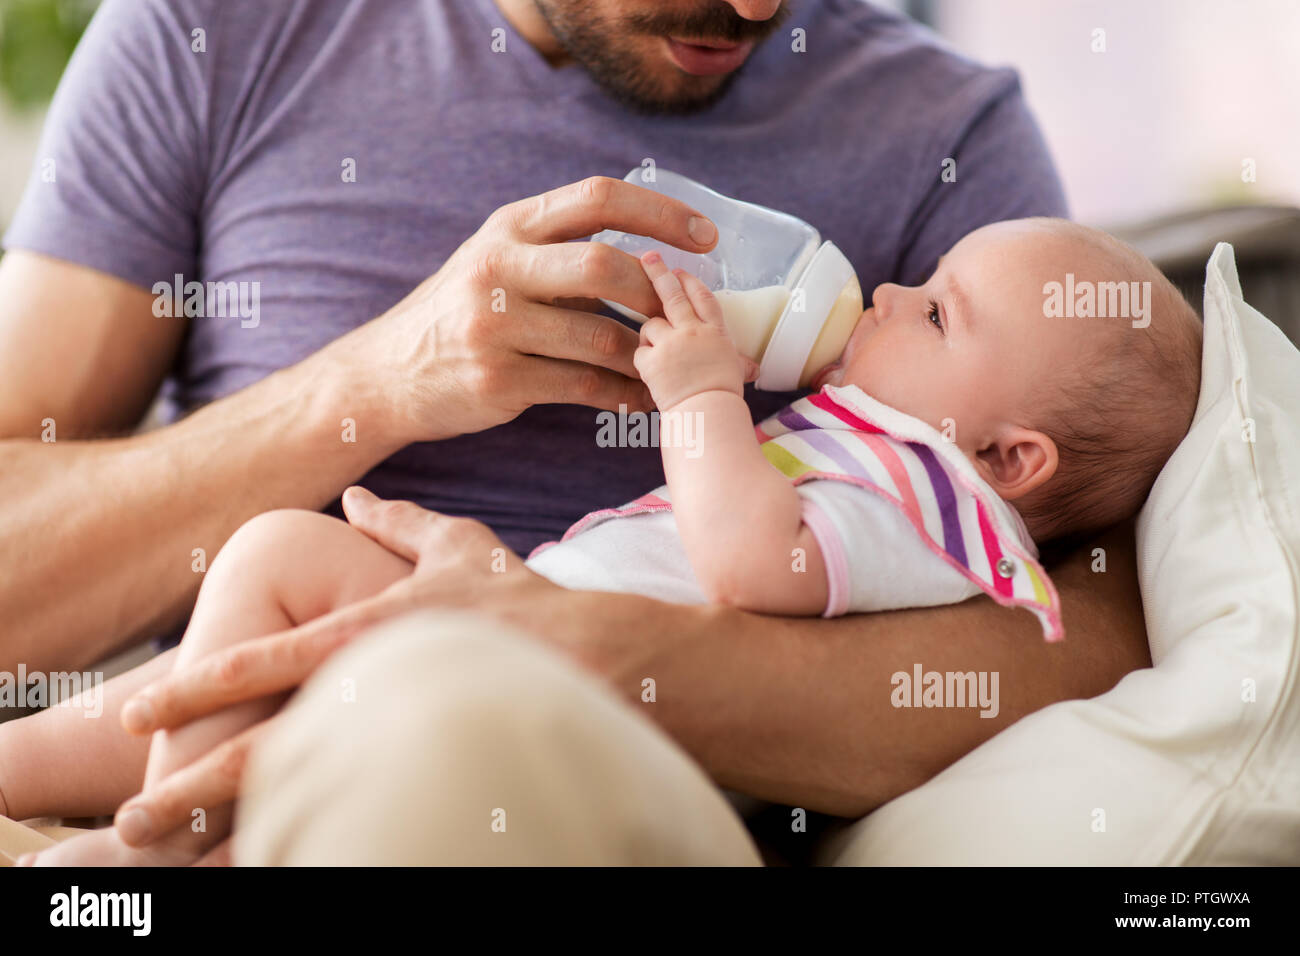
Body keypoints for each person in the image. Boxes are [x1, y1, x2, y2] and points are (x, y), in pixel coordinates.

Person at [0, 0, 1150, 865]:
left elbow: (1092, 636)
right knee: (265, 590)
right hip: (289, 707)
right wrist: (375, 381)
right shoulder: (213, 34)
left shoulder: (946, 134)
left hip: (596, 777)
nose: (754, 6)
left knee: (426, 736)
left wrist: (582, 644)